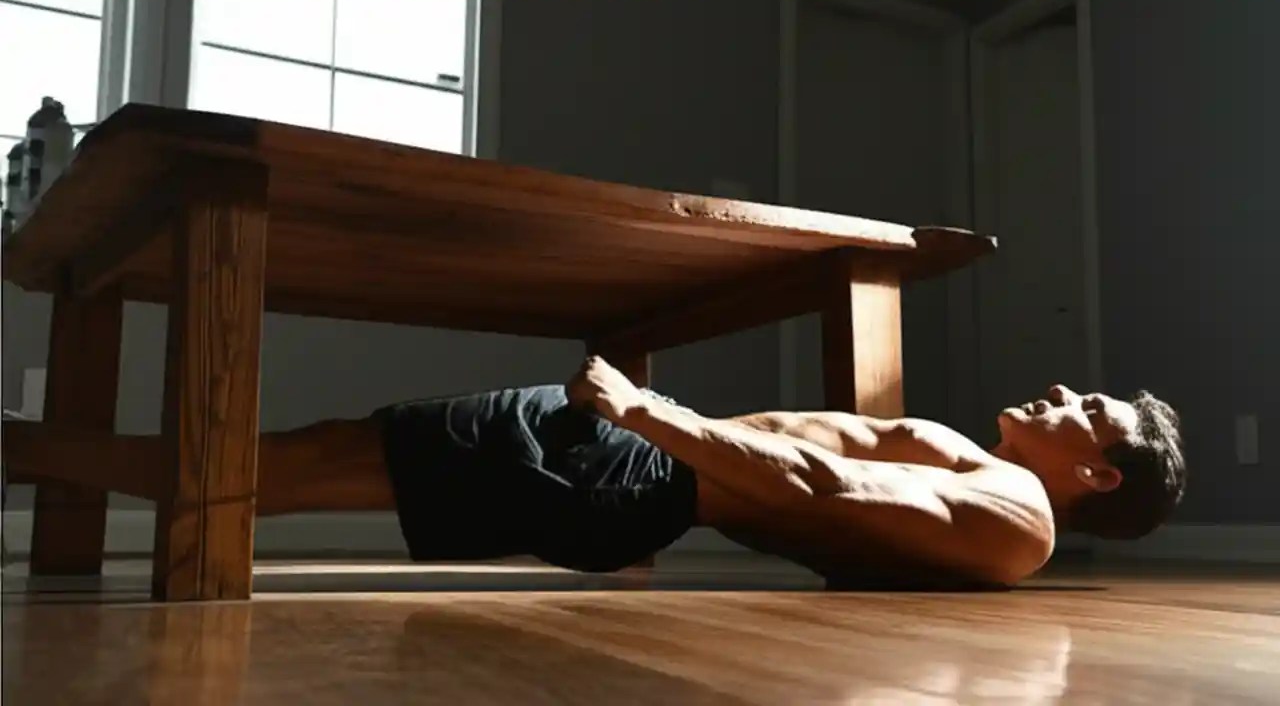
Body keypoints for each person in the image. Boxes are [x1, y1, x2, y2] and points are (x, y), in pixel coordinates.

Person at [242, 355, 1186, 588]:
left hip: (631, 469)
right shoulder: (996, 480)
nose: (1066, 390)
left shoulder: (1021, 512)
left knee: (314, 463)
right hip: (634, 472)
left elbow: (830, 488)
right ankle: (99, 475)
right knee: (324, 458)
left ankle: (96, 477)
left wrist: (649, 413)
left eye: (1089, 413)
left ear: (1097, 476)